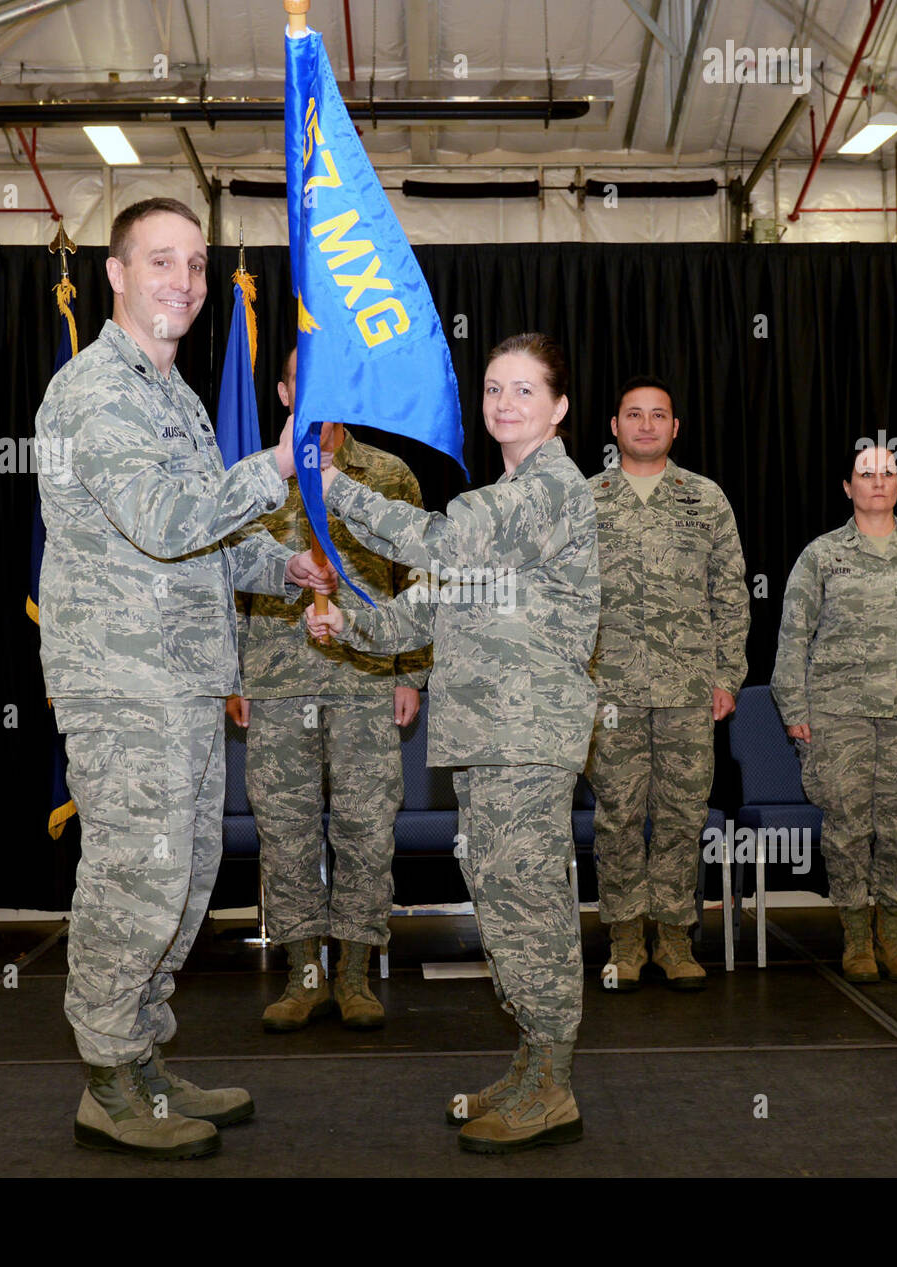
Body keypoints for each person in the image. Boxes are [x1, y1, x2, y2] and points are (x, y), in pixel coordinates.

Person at [36, 197, 335, 1159]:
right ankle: (108, 1078)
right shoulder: (94, 392)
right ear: (115, 276)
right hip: (124, 684)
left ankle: (146, 1059)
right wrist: (277, 465)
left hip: (188, 681)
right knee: (136, 879)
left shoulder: (176, 393)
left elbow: (203, 542)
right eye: (161, 262)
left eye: (198, 266)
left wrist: (276, 566)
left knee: (187, 879)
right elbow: (164, 521)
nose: (186, 282)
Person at [304, 333, 599, 1154]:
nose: (506, 404)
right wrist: (348, 623)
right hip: (486, 737)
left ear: (559, 407)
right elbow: (426, 609)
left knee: (531, 905)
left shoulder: (549, 491)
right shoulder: (501, 498)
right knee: (503, 902)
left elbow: (436, 543)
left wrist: (339, 491)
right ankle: (532, 1061)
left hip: (525, 736)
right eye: (495, 389)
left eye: (525, 391)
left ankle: (554, 1087)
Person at [226, 347, 430, 1034]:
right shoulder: (254, 479)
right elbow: (228, 580)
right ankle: (303, 971)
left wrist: (411, 672)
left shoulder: (390, 476)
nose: (316, 391)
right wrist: (236, 675)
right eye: (302, 379)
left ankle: (354, 971)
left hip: (367, 676)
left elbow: (417, 580)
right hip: (279, 679)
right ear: (284, 390)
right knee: (283, 828)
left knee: (366, 826)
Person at [771, 444, 897, 985]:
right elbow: (792, 638)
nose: (877, 481)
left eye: (887, 473)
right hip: (840, 718)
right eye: (866, 473)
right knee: (847, 830)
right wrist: (794, 707)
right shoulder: (822, 556)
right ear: (847, 487)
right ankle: (856, 937)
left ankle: (892, 937)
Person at [586, 376, 749, 991]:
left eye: (659, 415)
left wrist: (727, 675)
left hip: (688, 691)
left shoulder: (705, 499)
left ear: (675, 428)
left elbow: (730, 595)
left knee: (682, 817)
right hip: (611, 692)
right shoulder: (587, 498)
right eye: (634, 414)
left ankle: (676, 938)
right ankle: (626, 939)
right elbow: (565, 598)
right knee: (618, 818)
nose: (647, 425)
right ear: (615, 426)